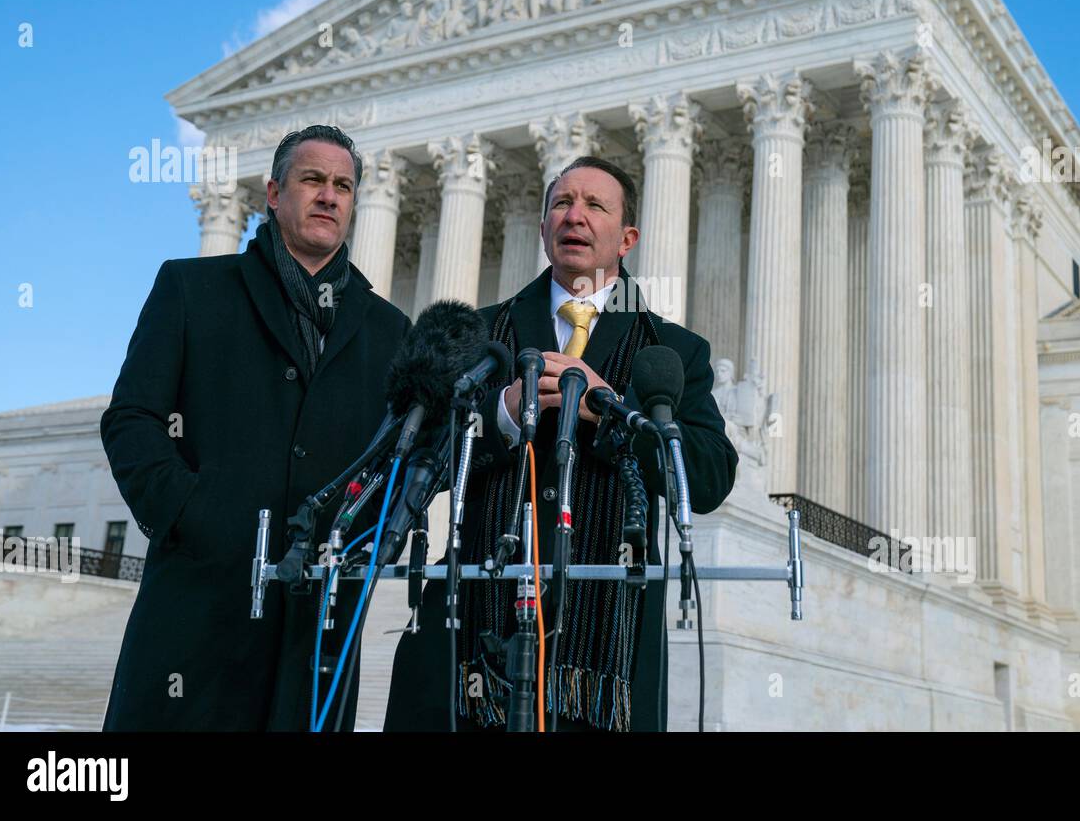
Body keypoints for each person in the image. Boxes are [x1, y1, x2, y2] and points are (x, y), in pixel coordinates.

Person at [385, 155, 738, 732]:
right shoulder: (475, 335)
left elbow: (706, 479)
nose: (575, 216)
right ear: (545, 226)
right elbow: (413, 455)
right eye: (562, 204)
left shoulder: (672, 352)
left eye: (595, 205)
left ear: (627, 238)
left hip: (607, 648)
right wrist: (502, 410)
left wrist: (612, 414)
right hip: (472, 630)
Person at [100, 125, 410, 730]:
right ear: (273, 192)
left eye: (343, 186)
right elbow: (132, 418)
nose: (329, 196)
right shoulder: (192, 289)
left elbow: (396, 458)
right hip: (199, 607)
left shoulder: (390, 330)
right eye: (312, 180)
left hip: (318, 623)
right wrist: (193, 513)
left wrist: (361, 544)